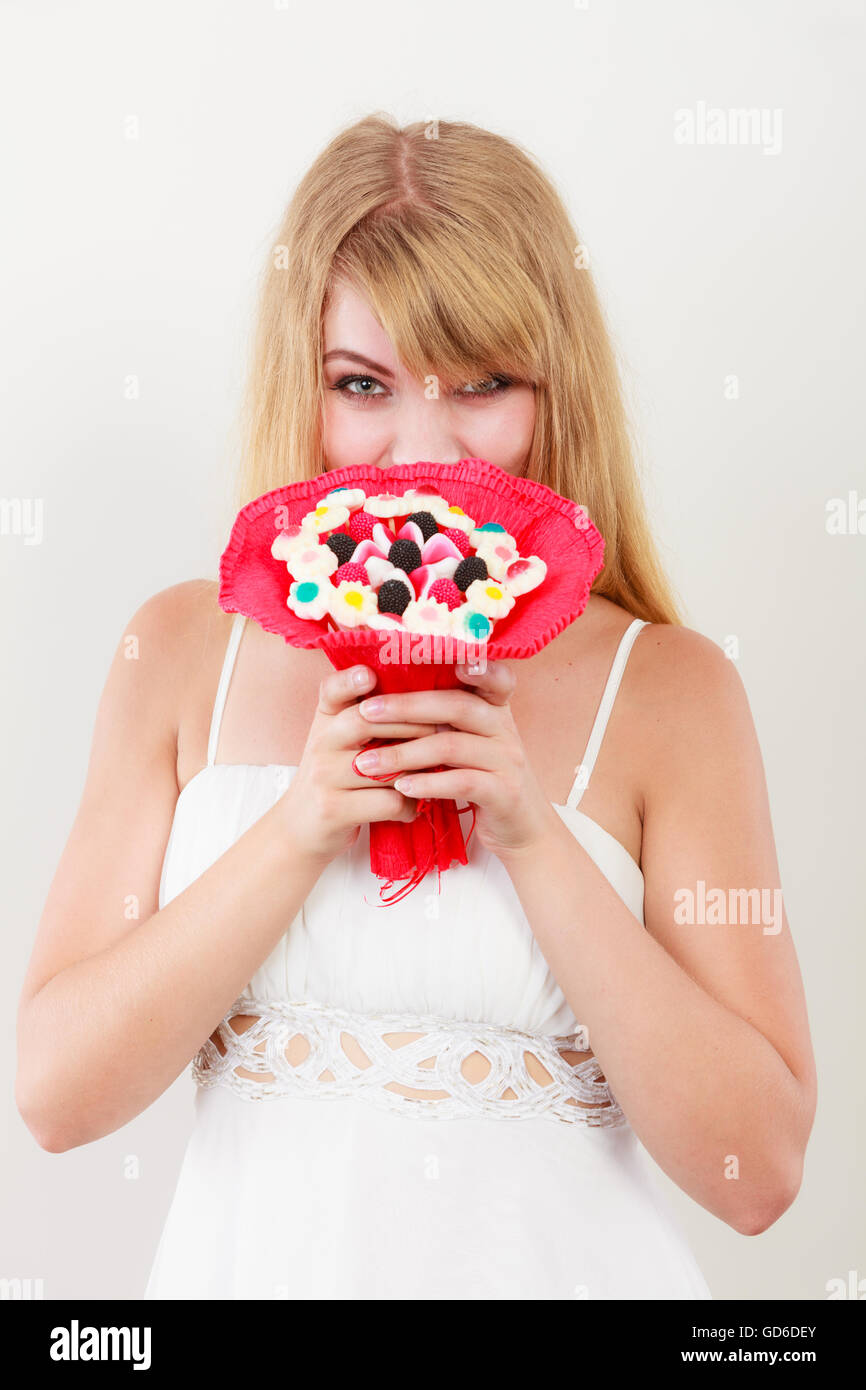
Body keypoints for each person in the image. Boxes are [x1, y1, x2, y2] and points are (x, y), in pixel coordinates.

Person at [16, 114, 816, 1300]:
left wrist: (534, 836)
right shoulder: (181, 650)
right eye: (362, 385)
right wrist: (297, 827)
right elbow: (54, 1097)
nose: (422, 447)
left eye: (484, 382)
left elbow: (757, 1175)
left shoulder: (672, 689)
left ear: (556, 389)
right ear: (307, 384)